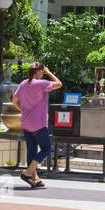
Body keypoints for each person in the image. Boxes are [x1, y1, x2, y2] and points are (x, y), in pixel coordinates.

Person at [13, 62, 61, 190]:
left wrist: (22, 109)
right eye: (42, 71)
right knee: (46, 148)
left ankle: (35, 179)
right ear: (38, 71)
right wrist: (49, 72)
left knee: (31, 151)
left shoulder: (23, 83)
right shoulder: (41, 83)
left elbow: (14, 100)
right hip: (38, 124)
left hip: (26, 123)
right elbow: (59, 83)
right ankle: (28, 173)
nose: (43, 72)